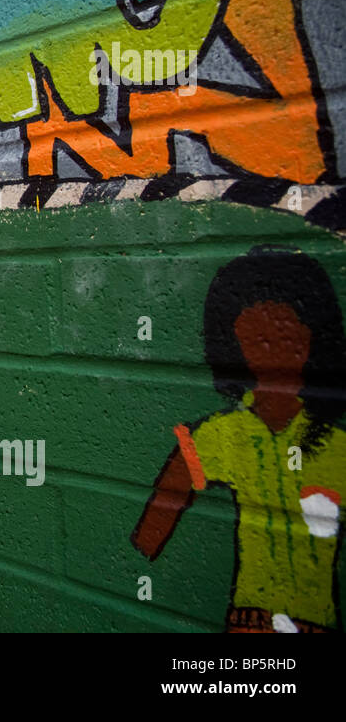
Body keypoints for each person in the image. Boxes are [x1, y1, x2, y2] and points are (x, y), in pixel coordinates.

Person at [130, 246, 346, 632]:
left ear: (312, 337)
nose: (270, 349)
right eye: (255, 338)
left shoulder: (335, 443)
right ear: (234, 343)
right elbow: (162, 507)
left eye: (285, 335)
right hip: (252, 620)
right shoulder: (224, 433)